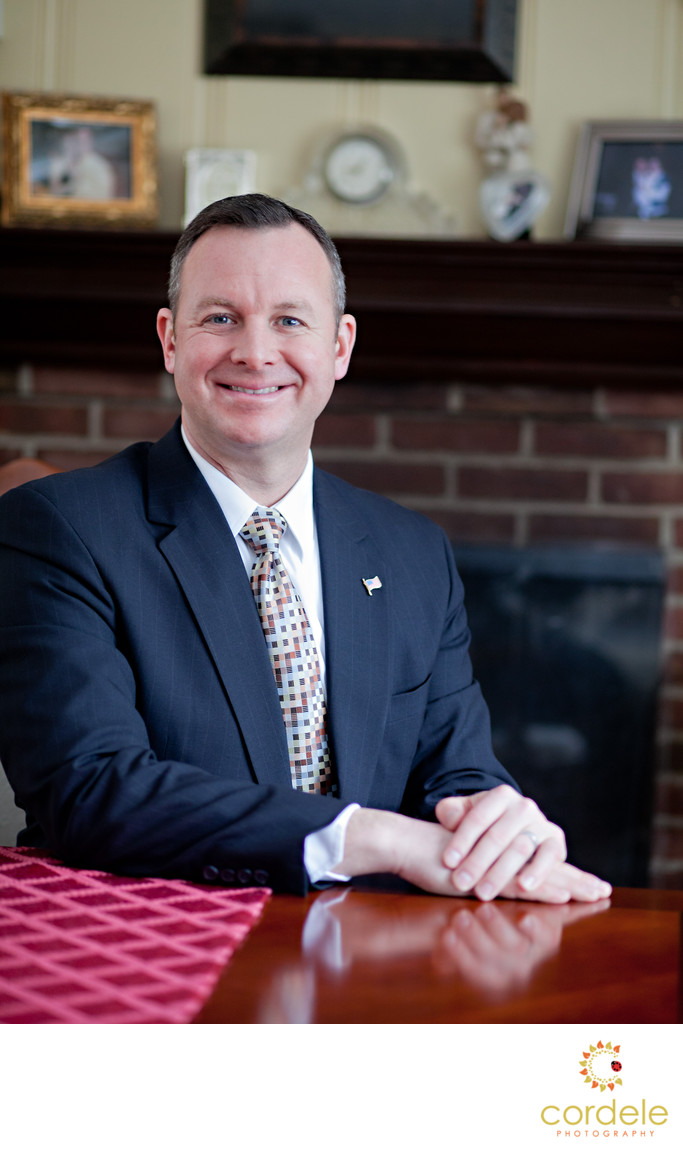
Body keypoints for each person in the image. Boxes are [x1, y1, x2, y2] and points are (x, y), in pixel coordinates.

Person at [0, 194, 611, 904]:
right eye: (220, 317)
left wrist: (496, 826)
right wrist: (374, 836)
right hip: (154, 958)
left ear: (339, 347)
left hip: (376, 963)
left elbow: (454, 770)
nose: (255, 352)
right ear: (170, 339)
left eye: (289, 320)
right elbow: (91, 789)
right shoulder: (57, 527)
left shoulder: (414, 552)